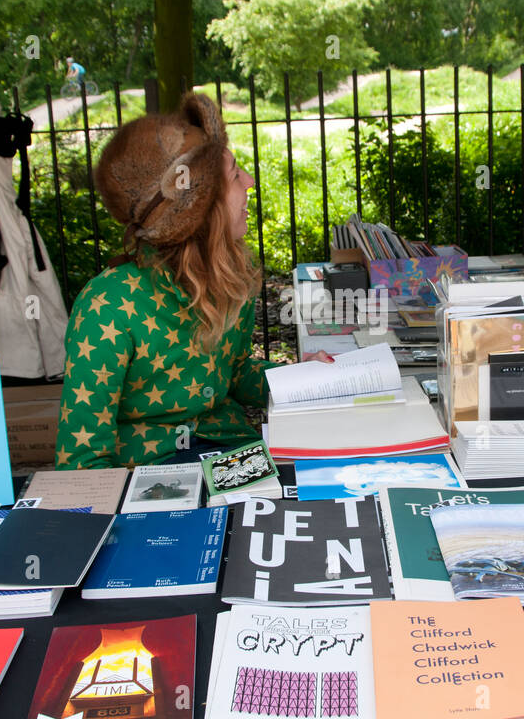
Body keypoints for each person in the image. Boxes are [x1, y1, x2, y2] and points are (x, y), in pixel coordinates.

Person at [55, 92, 331, 469]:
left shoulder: (231, 279)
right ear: (197, 210)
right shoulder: (108, 306)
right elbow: (82, 464)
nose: (250, 182)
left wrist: (300, 378)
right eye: (235, 175)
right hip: (150, 480)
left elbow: (232, 373)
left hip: (235, 455)